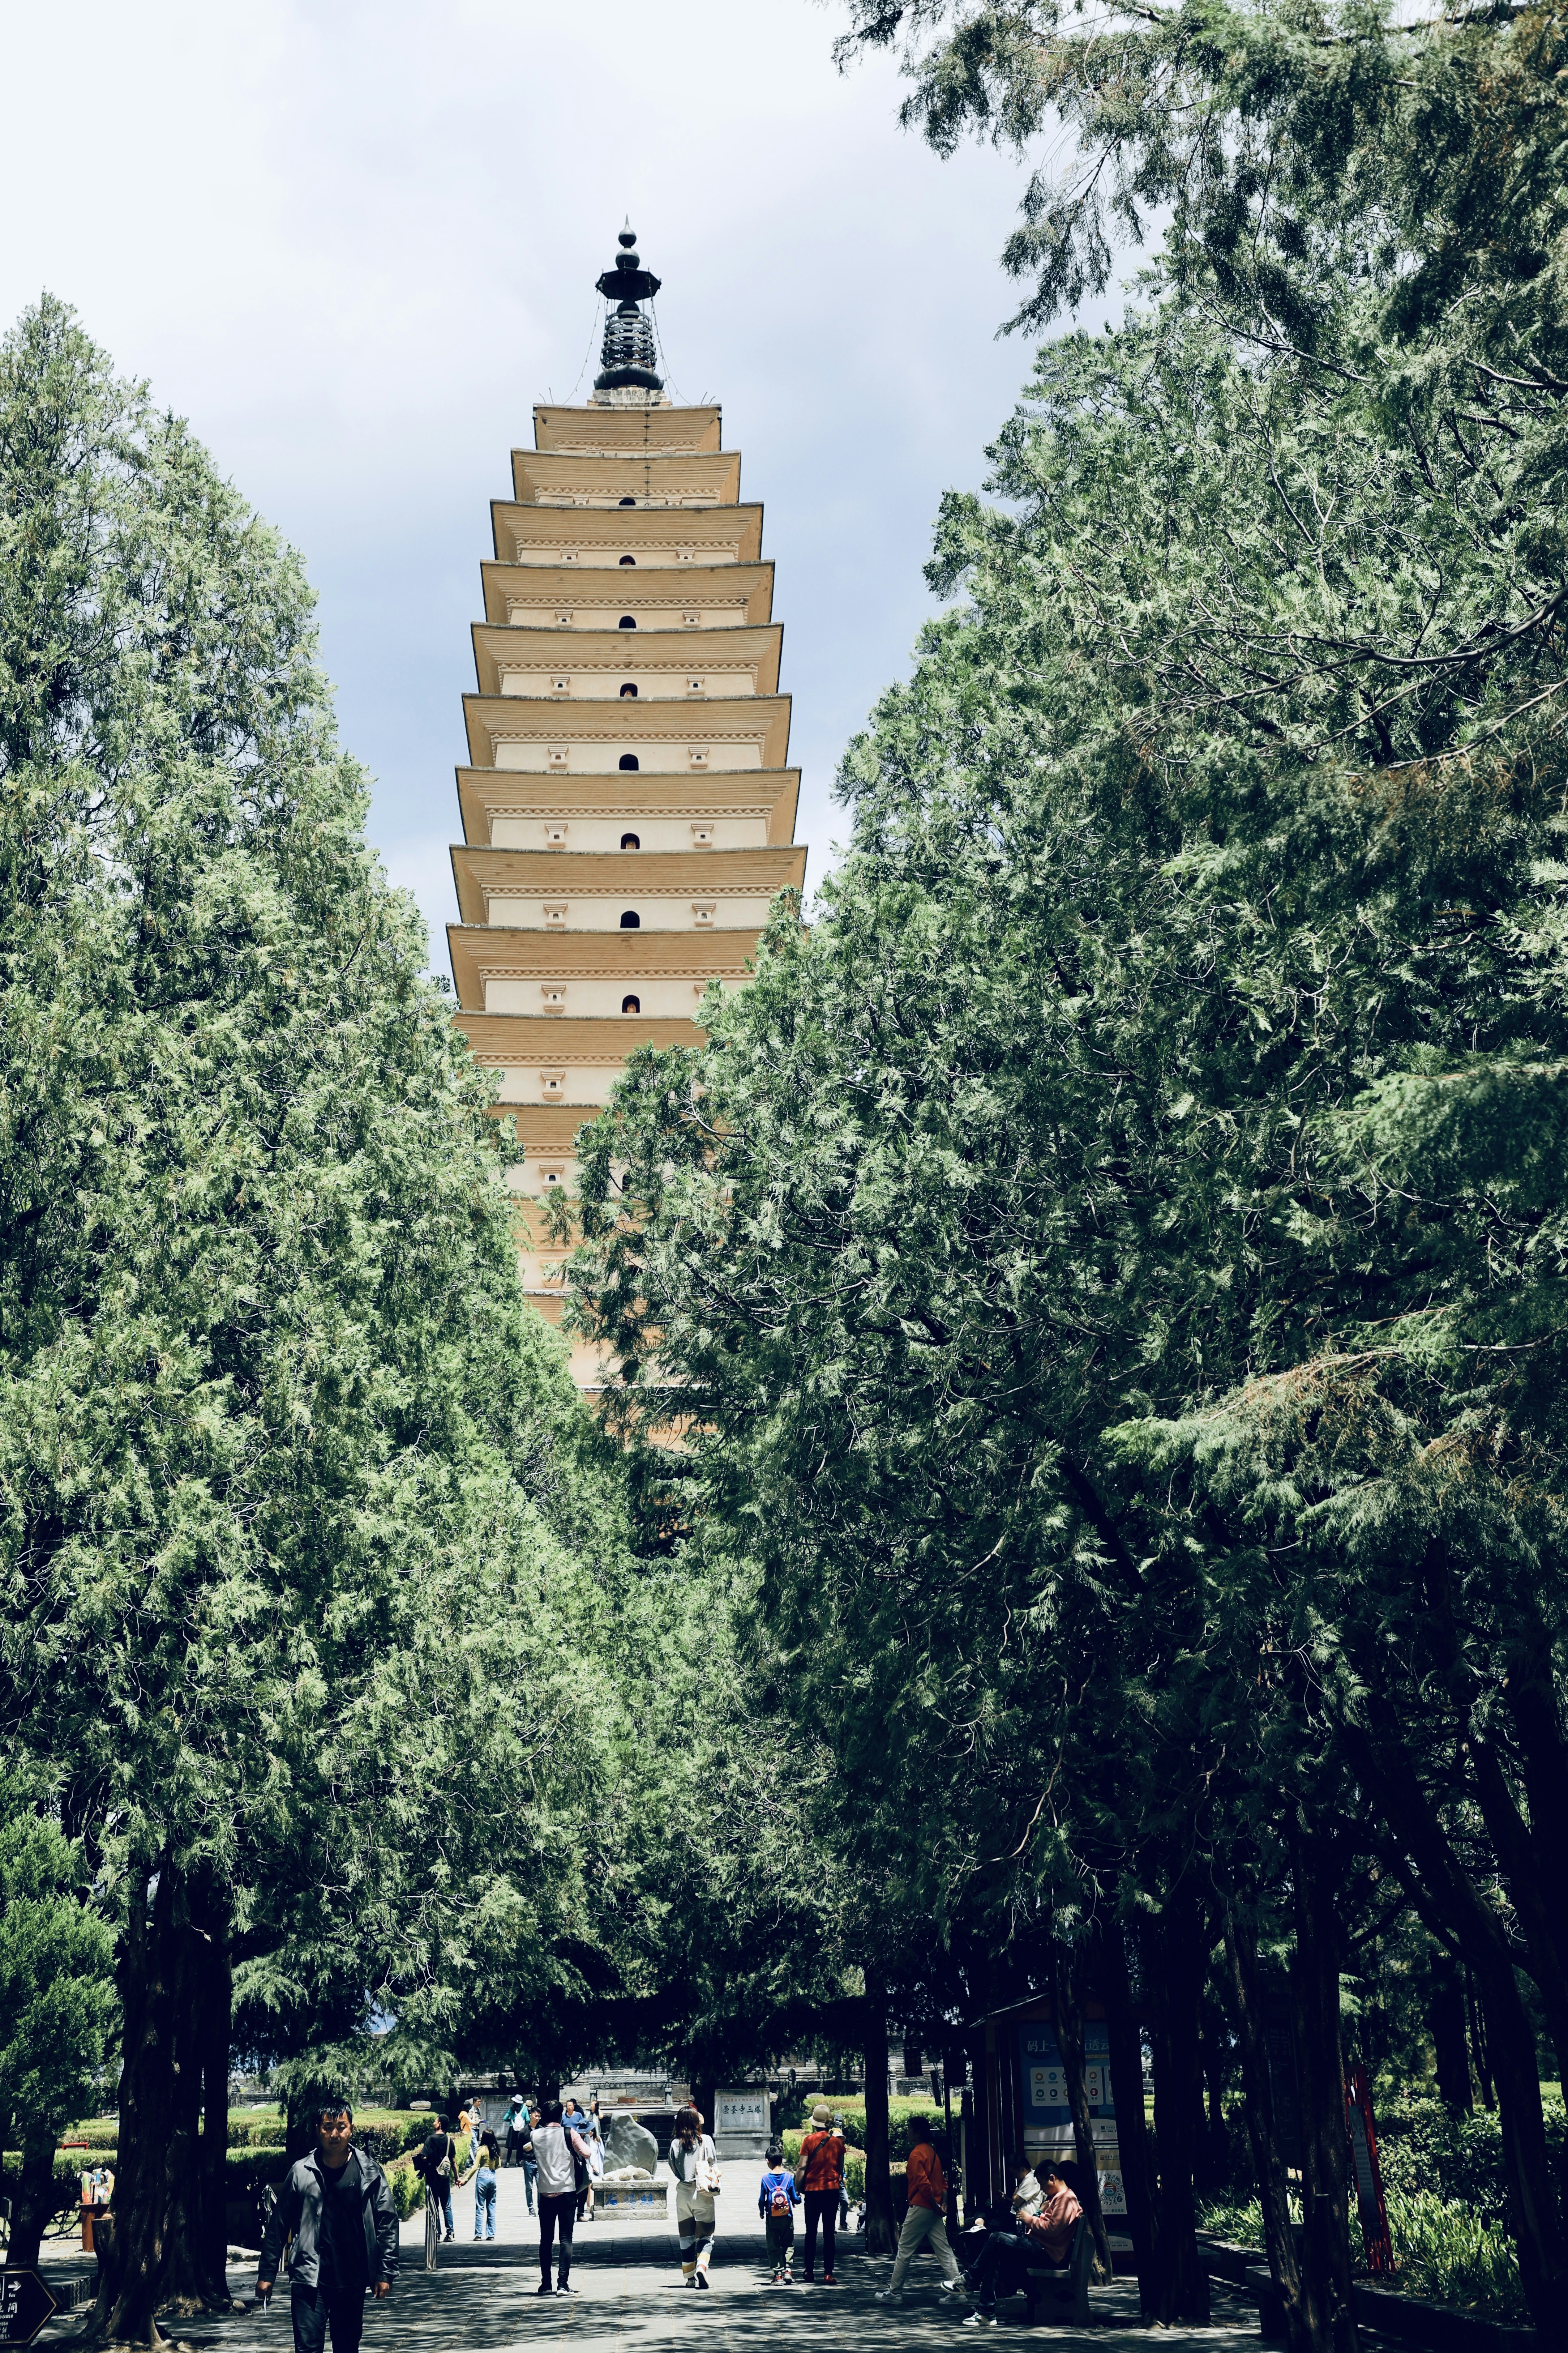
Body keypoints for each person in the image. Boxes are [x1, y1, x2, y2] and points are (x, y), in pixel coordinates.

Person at [257, 2098, 396, 2353]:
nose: (335, 2134)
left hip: (352, 2279)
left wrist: (385, 2273)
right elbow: (279, 2223)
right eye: (328, 2127)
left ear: (351, 2129)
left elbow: (387, 2222)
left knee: (347, 2348)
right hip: (310, 2279)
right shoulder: (302, 2171)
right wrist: (267, 2273)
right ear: (318, 2130)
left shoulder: (369, 2171)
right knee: (308, 2349)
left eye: (341, 2127)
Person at [959, 2158, 1061, 2323]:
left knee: (997, 2239)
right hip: (1038, 2244)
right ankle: (985, 2310)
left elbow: (1052, 2230)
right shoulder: (1056, 2199)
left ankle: (972, 2281)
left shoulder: (1065, 2200)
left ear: (1052, 2179)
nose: (1042, 2189)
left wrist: (1030, 2219)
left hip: (1045, 2252)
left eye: (1043, 2185)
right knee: (995, 2251)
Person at [875, 2115, 963, 2301]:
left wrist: (935, 2205)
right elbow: (943, 2183)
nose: (908, 2132)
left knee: (905, 2249)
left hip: (922, 2206)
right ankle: (957, 2290)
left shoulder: (916, 2154)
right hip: (934, 2208)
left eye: (910, 2129)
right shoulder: (932, 2153)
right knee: (944, 2250)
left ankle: (895, 2292)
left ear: (918, 2133)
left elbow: (923, 2185)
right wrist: (942, 2205)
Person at [532, 2098, 592, 2296]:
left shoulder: (535, 2135)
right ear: (561, 2116)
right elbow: (587, 2153)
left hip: (545, 2193)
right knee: (566, 2239)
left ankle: (545, 2284)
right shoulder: (569, 2133)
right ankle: (563, 2285)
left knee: (546, 2240)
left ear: (543, 2116)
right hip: (567, 2192)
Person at [668, 2105, 720, 2288]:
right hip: (703, 2192)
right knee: (706, 2235)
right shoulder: (706, 2140)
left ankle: (690, 2278)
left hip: (683, 2193)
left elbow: (674, 2168)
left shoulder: (675, 2144)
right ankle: (702, 2266)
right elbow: (713, 2163)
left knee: (686, 2237)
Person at [795, 2097, 843, 2286]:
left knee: (811, 2232)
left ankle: (809, 2271)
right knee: (829, 2233)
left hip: (813, 2192)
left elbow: (802, 2167)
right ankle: (829, 2273)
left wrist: (798, 2187)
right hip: (832, 2191)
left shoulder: (808, 2141)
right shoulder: (838, 2143)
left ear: (814, 2123)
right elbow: (840, 2168)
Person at [757, 2140, 798, 2284]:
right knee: (788, 2243)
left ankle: (778, 2275)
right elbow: (795, 2198)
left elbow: (762, 2199)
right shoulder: (788, 2178)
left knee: (773, 2244)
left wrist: (762, 2212)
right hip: (787, 2217)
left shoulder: (766, 2179)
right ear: (782, 2160)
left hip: (772, 2218)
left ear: (768, 2161)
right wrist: (799, 2199)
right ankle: (788, 2270)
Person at [416, 2116, 457, 2242]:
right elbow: (453, 2161)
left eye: (435, 2121)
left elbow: (424, 2158)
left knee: (434, 2206)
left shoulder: (431, 2139)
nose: (434, 2123)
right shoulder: (449, 2140)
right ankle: (451, 2234)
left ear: (439, 2124)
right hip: (445, 2177)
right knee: (447, 2206)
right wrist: (457, 2178)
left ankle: (437, 2234)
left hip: (433, 2176)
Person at [474, 2139, 498, 2242]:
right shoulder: (495, 2149)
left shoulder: (481, 2149)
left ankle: (479, 2235)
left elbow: (476, 2166)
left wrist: (465, 2180)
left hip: (483, 2176)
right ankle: (491, 2234)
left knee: (480, 2207)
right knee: (491, 2207)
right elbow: (499, 2165)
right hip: (492, 2176)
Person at [522, 2106, 541, 2217]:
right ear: (531, 2116)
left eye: (539, 2116)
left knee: (541, 2187)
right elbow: (520, 2148)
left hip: (539, 2162)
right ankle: (531, 2208)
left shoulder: (542, 2130)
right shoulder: (524, 2132)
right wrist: (522, 2161)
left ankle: (541, 2208)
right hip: (528, 2162)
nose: (537, 2118)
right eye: (535, 2116)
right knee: (529, 2187)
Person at [503, 2094, 528, 2168]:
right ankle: (518, 2163)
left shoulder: (512, 2109)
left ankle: (507, 2163)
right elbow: (528, 2119)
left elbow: (505, 2118)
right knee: (519, 2146)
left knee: (510, 2147)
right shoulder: (525, 2109)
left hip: (512, 2128)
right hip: (521, 2129)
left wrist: (511, 2120)